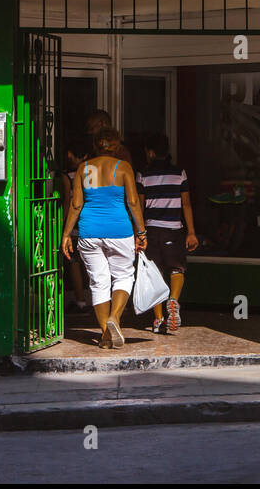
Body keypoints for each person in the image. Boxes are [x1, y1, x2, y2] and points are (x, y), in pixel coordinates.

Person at [60, 128, 147, 349]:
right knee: (124, 276)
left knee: (98, 283)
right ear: (117, 145)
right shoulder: (123, 167)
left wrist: (66, 233)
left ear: (95, 145)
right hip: (119, 230)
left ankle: (105, 335)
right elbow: (134, 202)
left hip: (90, 231)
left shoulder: (84, 168)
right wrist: (142, 231)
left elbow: (76, 203)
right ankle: (114, 318)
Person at [137, 133, 198, 335]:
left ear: (151, 153)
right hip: (174, 229)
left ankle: (158, 318)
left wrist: (138, 232)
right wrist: (191, 232)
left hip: (151, 230)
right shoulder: (179, 173)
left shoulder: (143, 175)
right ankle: (174, 300)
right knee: (176, 268)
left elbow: (139, 205)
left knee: (156, 273)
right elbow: (186, 203)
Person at [56, 135, 93, 311]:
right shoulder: (95, 172)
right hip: (93, 220)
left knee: (75, 262)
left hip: (76, 222)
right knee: (93, 262)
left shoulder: (67, 176)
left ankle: (80, 300)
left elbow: (68, 202)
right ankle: (99, 298)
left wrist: (64, 226)